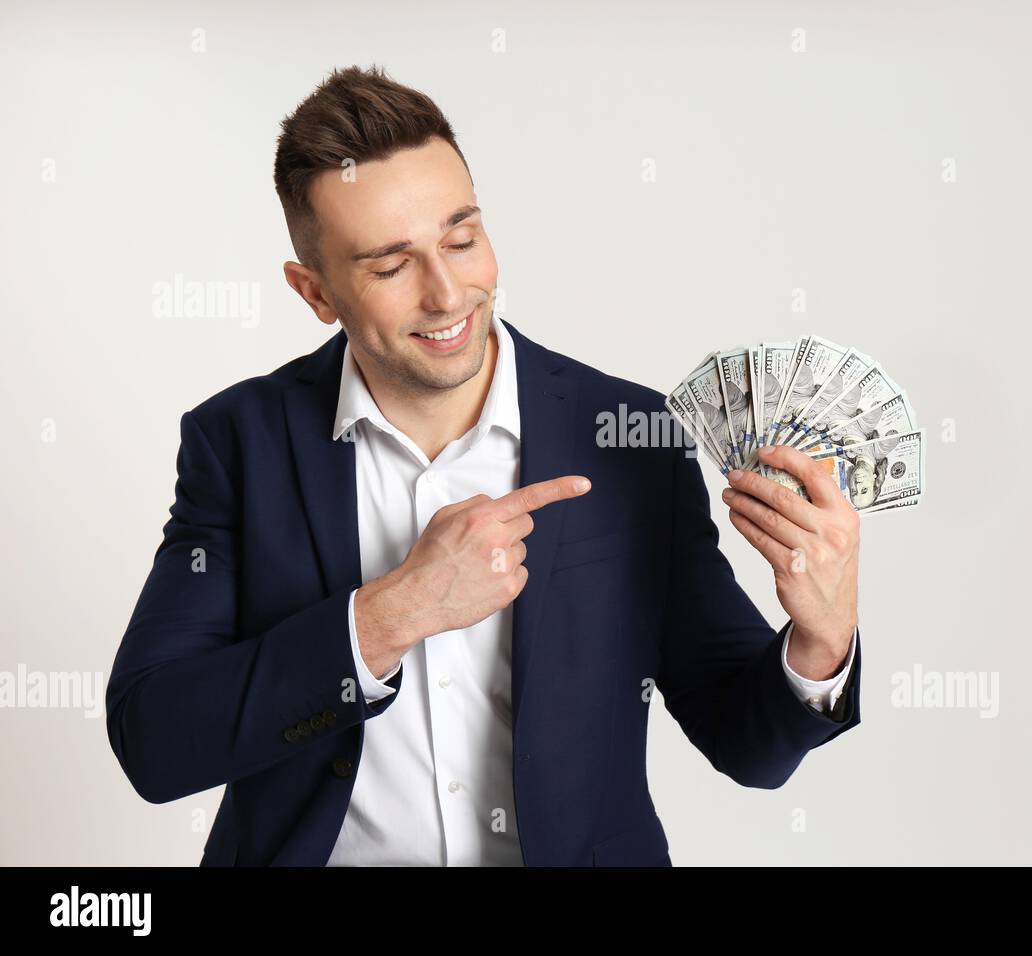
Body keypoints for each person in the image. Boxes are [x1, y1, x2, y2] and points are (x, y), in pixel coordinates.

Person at [106, 65, 864, 867]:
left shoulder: (629, 436)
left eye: (461, 239)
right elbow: (155, 740)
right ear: (315, 292)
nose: (447, 293)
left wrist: (822, 640)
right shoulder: (240, 442)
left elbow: (748, 746)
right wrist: (390, 615)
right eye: (390, 267)